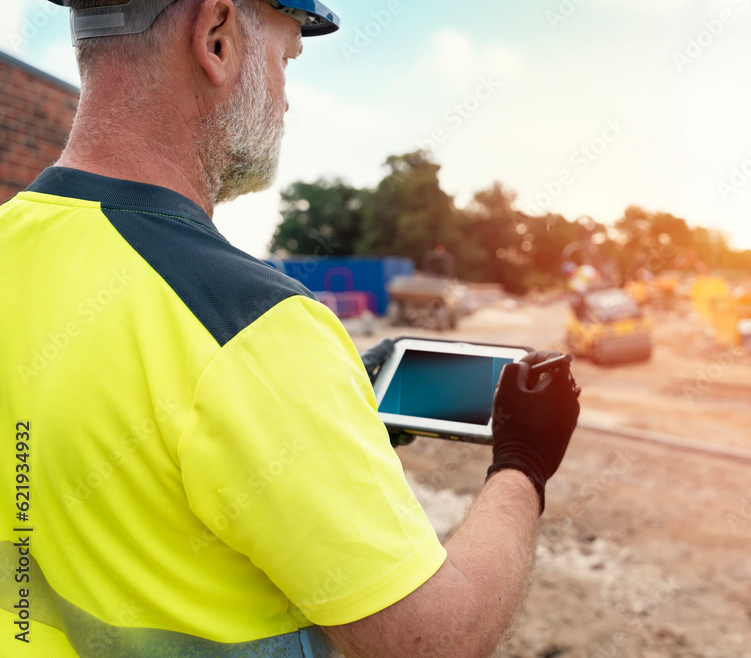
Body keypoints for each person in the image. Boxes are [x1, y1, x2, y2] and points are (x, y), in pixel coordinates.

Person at [0, 1, 580, 656]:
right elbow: (432, 640)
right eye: (286, 58)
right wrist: (524, 460)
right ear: (216, 38)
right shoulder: (251, 325)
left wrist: (311, 412)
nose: (284, 100)